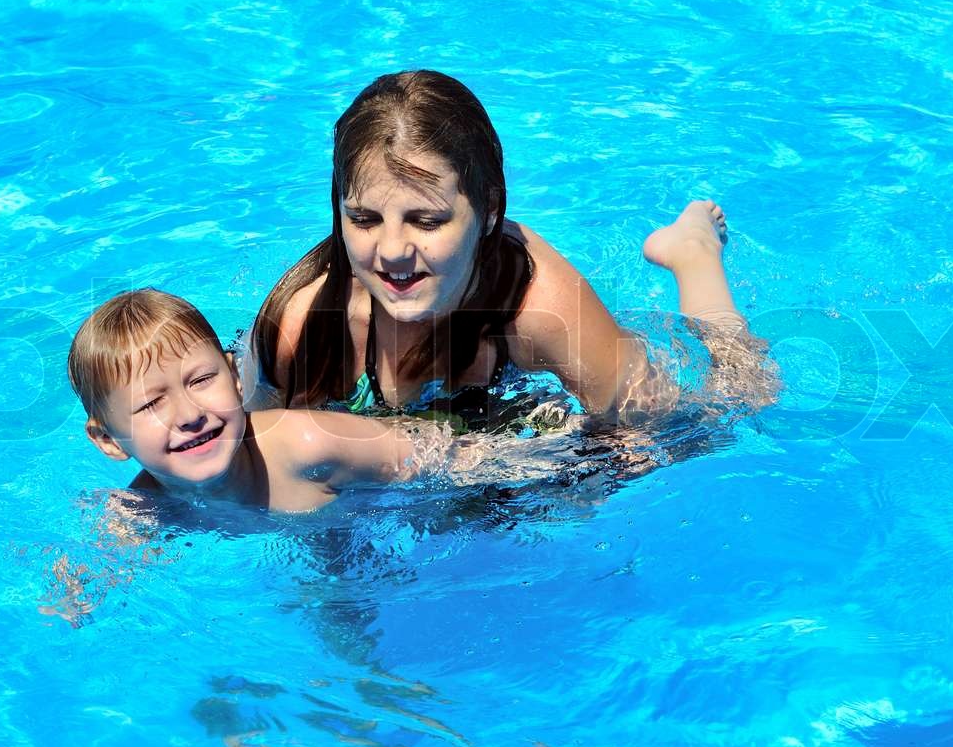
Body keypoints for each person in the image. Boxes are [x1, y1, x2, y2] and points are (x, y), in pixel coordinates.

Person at [248, 69, 770, 426]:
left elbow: (651, 438)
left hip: (557, 363)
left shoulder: (540, 310)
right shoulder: (305, 322)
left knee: (737, 398)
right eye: (363, 219)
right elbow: (244, 459)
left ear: (490, 210)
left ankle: (693, 252)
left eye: (426, 221)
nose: (391, 252)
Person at [66, 288, 535, 514]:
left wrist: (569, 458)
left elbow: (453, 456)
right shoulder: (141, 509)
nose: (189, 415)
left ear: (233, 375)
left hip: (447, 423)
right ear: (107, 439)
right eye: (151, 405)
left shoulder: (307, 443)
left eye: (202, 379)